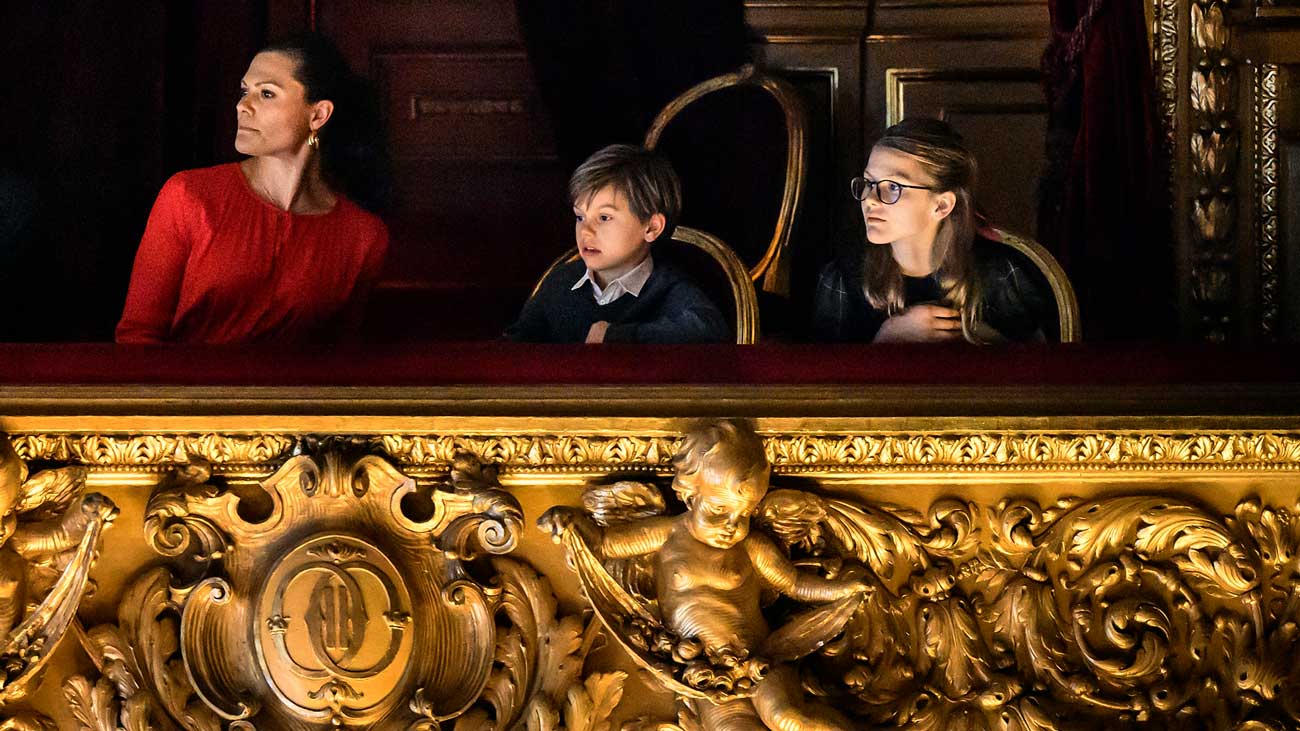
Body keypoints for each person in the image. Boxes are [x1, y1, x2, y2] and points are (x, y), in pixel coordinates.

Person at [115, 34, 390, 344]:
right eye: (245, 91)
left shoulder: (363, 236)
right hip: (182, 378)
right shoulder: (188, 196)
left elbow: (342, 357)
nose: (242, 106)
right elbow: (138, 336)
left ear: (318, 115)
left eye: (266, 93)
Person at [812, 118, 1055, 343]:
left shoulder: (999, 276)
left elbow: (1040, 368)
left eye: (893, 187)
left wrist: (982, 341)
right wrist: (888, 339)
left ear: (942, 205)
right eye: (869, 183)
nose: (870, 200)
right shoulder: (844, 277)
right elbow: (824, 373)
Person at [504, 144, 729, 344]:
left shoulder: (669, 287)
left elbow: (710, 330)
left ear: (651, 228)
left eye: (604, 217)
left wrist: (617, 336)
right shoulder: (560, 281)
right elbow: (514, 348)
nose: (586, 231)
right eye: (580, 217)